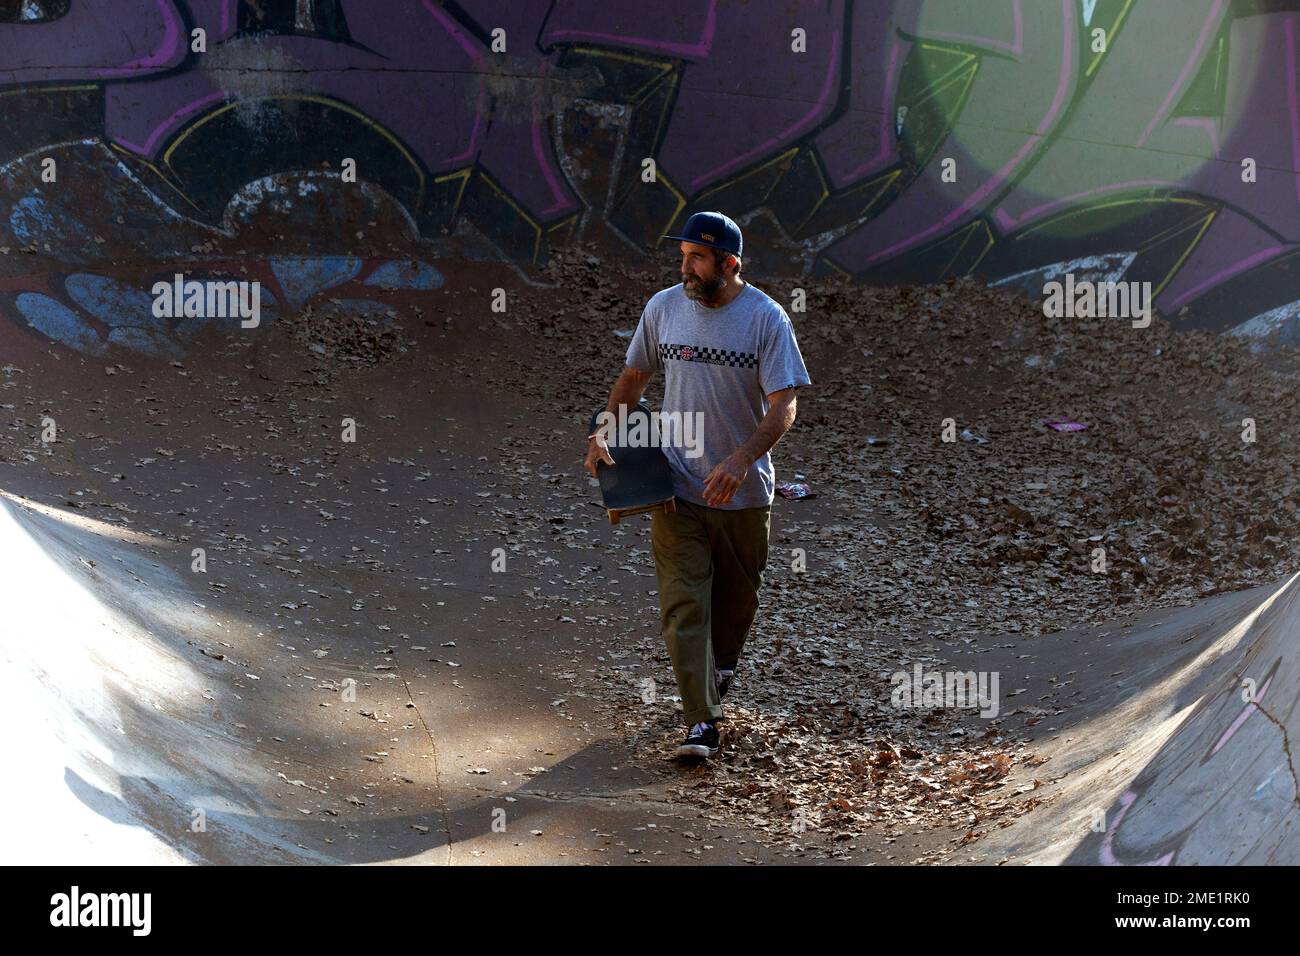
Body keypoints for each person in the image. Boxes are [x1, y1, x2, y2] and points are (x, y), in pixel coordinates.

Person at [583, 211, 812, 759]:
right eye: (683, 255)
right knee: (684, 604)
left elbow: (786, 406)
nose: (685, 267)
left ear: (729, 264)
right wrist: (603, 431)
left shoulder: (766, 319)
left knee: (734, 608)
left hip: (743, 495)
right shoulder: (663, 308)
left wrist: (740, 459)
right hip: (675, 487)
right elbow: (635, 379)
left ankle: (721, 668)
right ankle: (701, 722)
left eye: (697, 258)